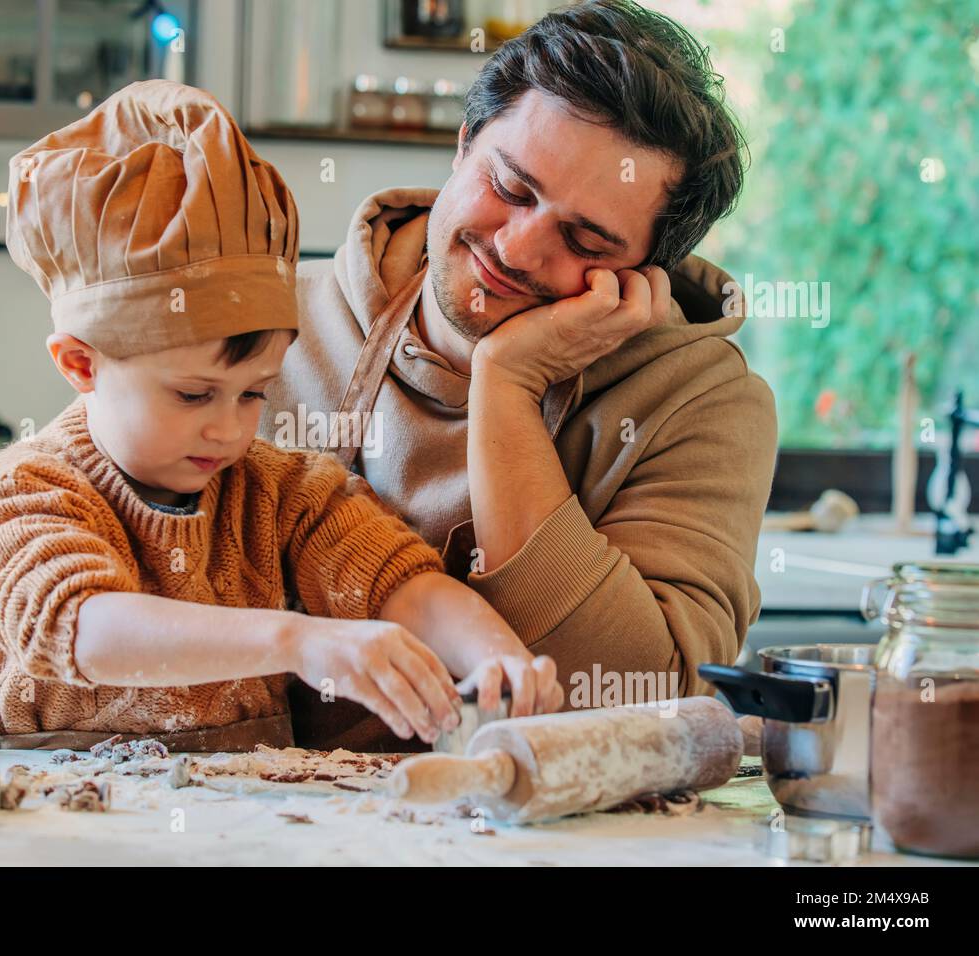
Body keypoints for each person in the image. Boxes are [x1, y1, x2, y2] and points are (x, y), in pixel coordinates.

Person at [0, 81, 562, 753]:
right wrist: (297, 640)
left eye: (254, 392)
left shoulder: (279, 493)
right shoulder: (22, 496)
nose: (230, 430)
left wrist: (500, 662)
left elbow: (399, 585)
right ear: (82, 364)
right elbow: (81, 628)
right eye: (194, 395)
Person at [257, 0, 777, 749]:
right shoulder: (271, 324)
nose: (519, 249)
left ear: (645, 275)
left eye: (584, 238)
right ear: (464, 146)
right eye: (511, 187)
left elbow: (639, 699)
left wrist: (506, 385)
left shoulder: (702, 402)